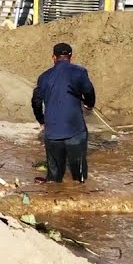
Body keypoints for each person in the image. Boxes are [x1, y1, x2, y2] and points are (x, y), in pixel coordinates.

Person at [31, 43, 97, 183]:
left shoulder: (44, 77)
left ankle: (55, 200)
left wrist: (41, 120)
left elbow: (36, 101)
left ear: (54, 57)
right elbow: (89, 91)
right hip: (75, 131)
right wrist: (89, 105)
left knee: (54, 179)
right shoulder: (79, 72)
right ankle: (82, 201)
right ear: (70, 57)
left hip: (53, 133)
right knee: (79, 178)